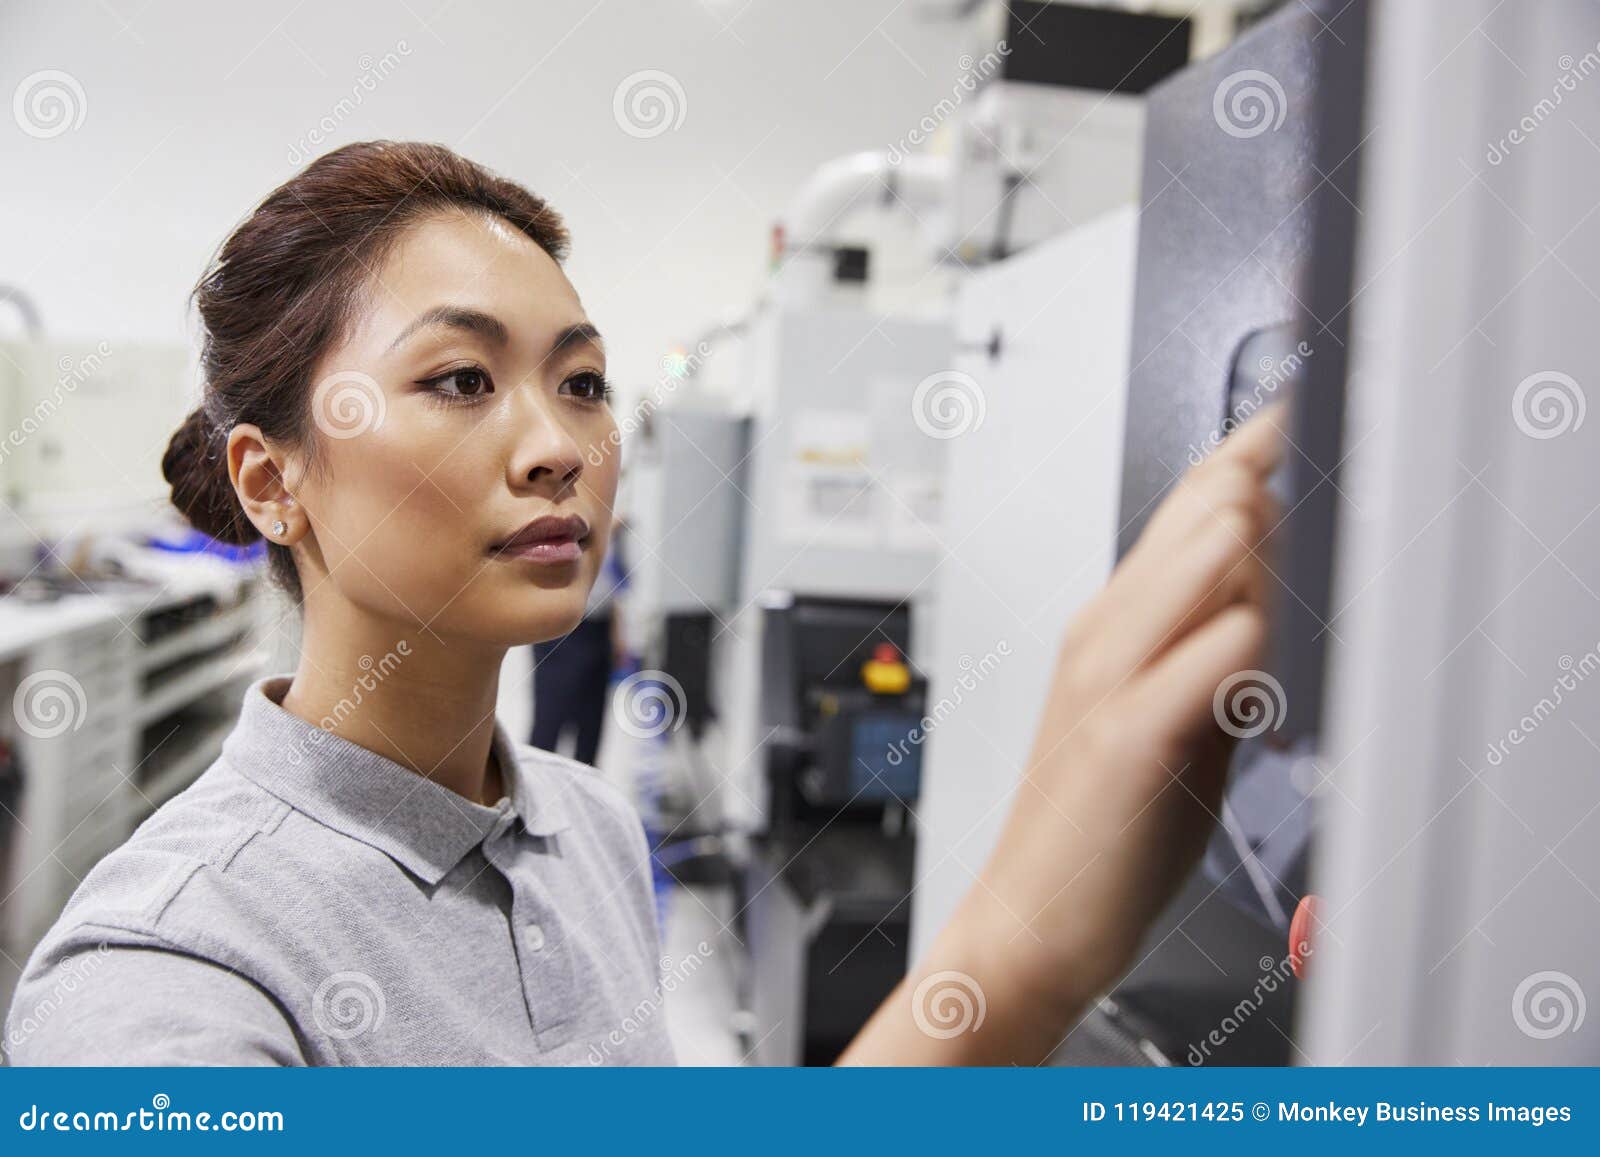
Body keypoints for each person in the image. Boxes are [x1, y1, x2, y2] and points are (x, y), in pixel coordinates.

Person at [3, 142, 1283, 1066]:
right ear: (274, 480)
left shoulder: (586, 824)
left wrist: (1029, 950)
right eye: (458, 378)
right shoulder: (169, 978)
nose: (557, 443)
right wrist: (1012, 947)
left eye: (583, 382)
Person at [530, 517, 627, 766]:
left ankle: (584, 792)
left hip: (600, 626)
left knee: (591, 725)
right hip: (561, 628)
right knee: (550, 720)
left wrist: (618, 633)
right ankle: (534, 795)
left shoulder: (618, 519)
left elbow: (614, 581)